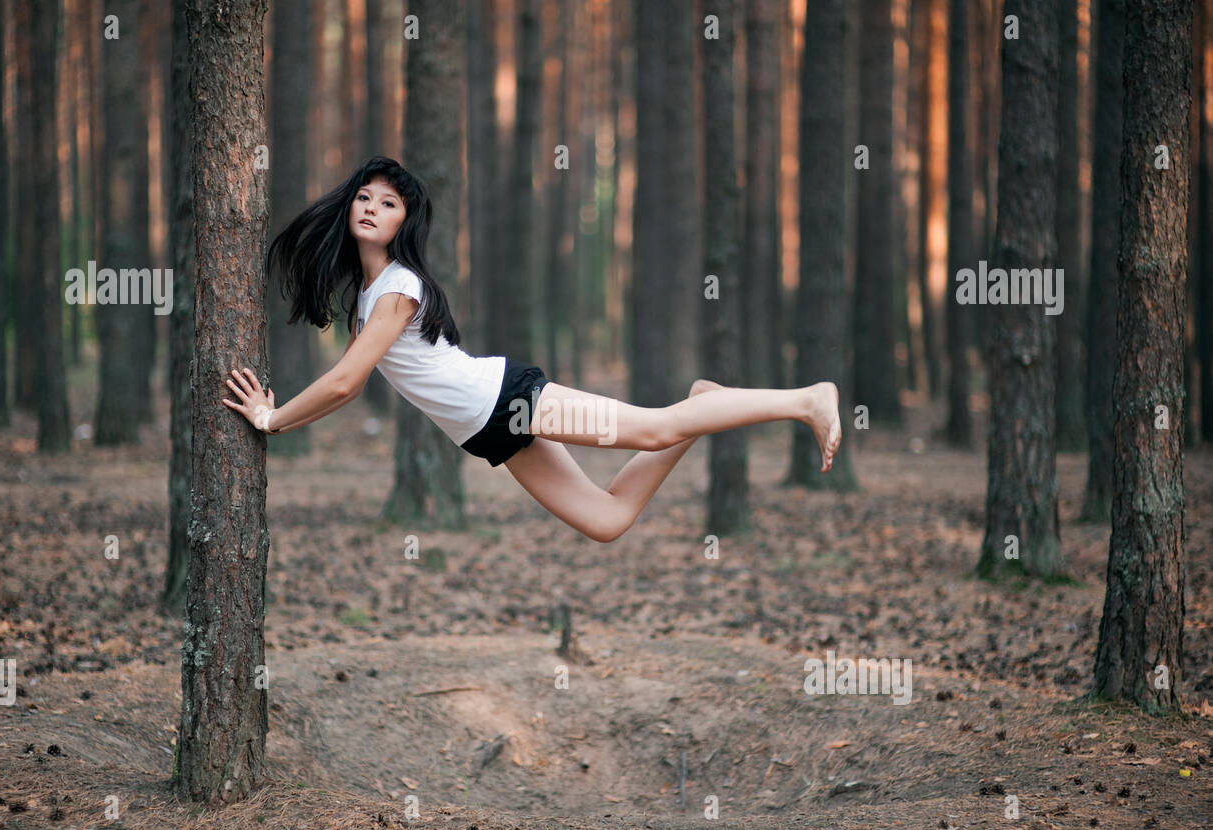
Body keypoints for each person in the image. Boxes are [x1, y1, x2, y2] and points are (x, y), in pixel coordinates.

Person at [223, 155, 841, 543]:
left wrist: (272, 419)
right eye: (365, 197)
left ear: (402, 224)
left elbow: (344, 384)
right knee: (606, 522)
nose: (372, 208)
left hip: (508, 401)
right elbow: (349, 381)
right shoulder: (366, 294)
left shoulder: (400, 288)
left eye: (389, 204)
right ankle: (701, 406)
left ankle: (807, 399)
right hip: (486, 430)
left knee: (653, 431)